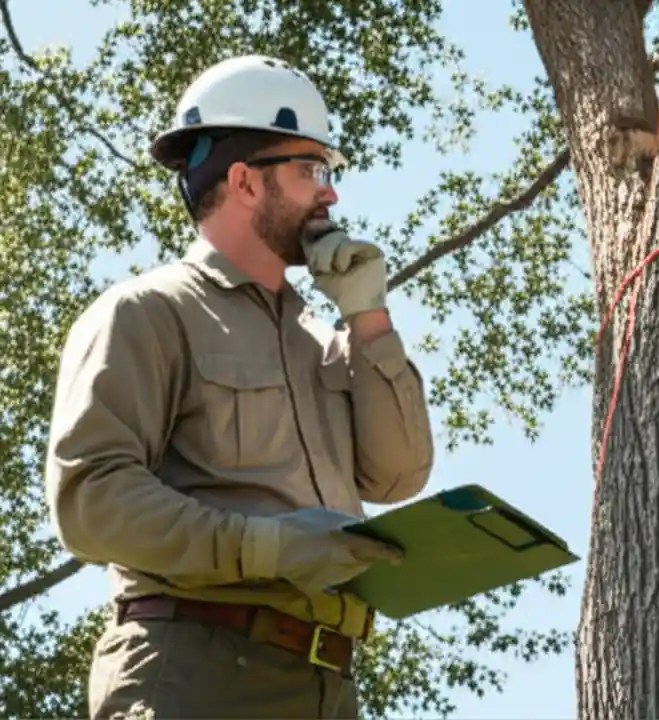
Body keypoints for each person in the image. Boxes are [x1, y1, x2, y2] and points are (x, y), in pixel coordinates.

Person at [43, 55, 435, 719]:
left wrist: (368, 317)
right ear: (244, 182)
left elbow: (399, 475)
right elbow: (91, 501)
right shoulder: (147, 313)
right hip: (196, 668)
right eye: (311, 170)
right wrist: (269, 548)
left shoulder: (326, 339)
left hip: (328, 685)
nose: (330, 195)